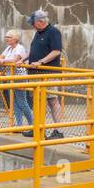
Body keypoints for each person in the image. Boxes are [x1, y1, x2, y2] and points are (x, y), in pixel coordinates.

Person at [26, 10, 65, 139]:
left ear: (41, 21)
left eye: (34, 23)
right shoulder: (38, 33)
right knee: (36, 101)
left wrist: (41, 62)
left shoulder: (53, 32)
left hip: (48, 72)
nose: (32, 26)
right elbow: (34, 51)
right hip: (35, 72)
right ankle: (37, 128)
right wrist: (22, 59)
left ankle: (58, 131)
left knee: (52, 100)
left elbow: (56, 51)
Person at [0, 29, 33, 133]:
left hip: (19, 77)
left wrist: (2, 61)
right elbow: (0, 57)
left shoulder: (19, 48)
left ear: (15, 39)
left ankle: (32, 124)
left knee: (22, 101)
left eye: (9, 37)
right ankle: (19, 126)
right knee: (14, 102)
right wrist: (1, 60)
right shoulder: (9, 48)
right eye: (6, 36)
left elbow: (14, 60)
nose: (6, 38)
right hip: (11, 76)